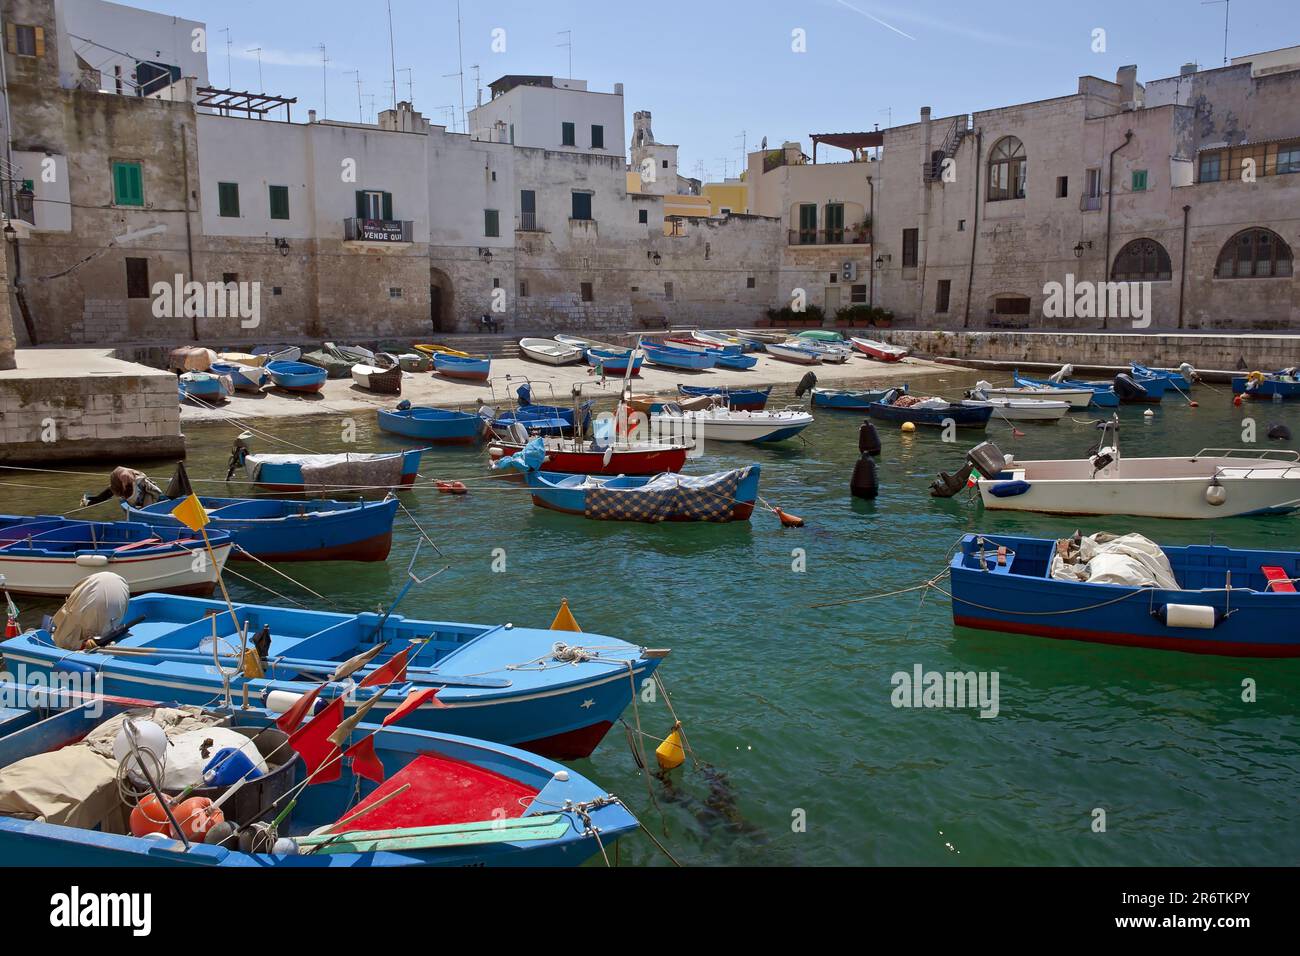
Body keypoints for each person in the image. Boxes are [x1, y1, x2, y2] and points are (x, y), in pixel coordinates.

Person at [81, 467, 164, 509]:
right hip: (117, 482)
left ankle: (88, 501)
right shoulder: (125, 477)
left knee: (102, 496)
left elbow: (127, 487)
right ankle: (87, 501)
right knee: (102, 497)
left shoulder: (132, 477)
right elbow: (124, 487)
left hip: (117, 482)